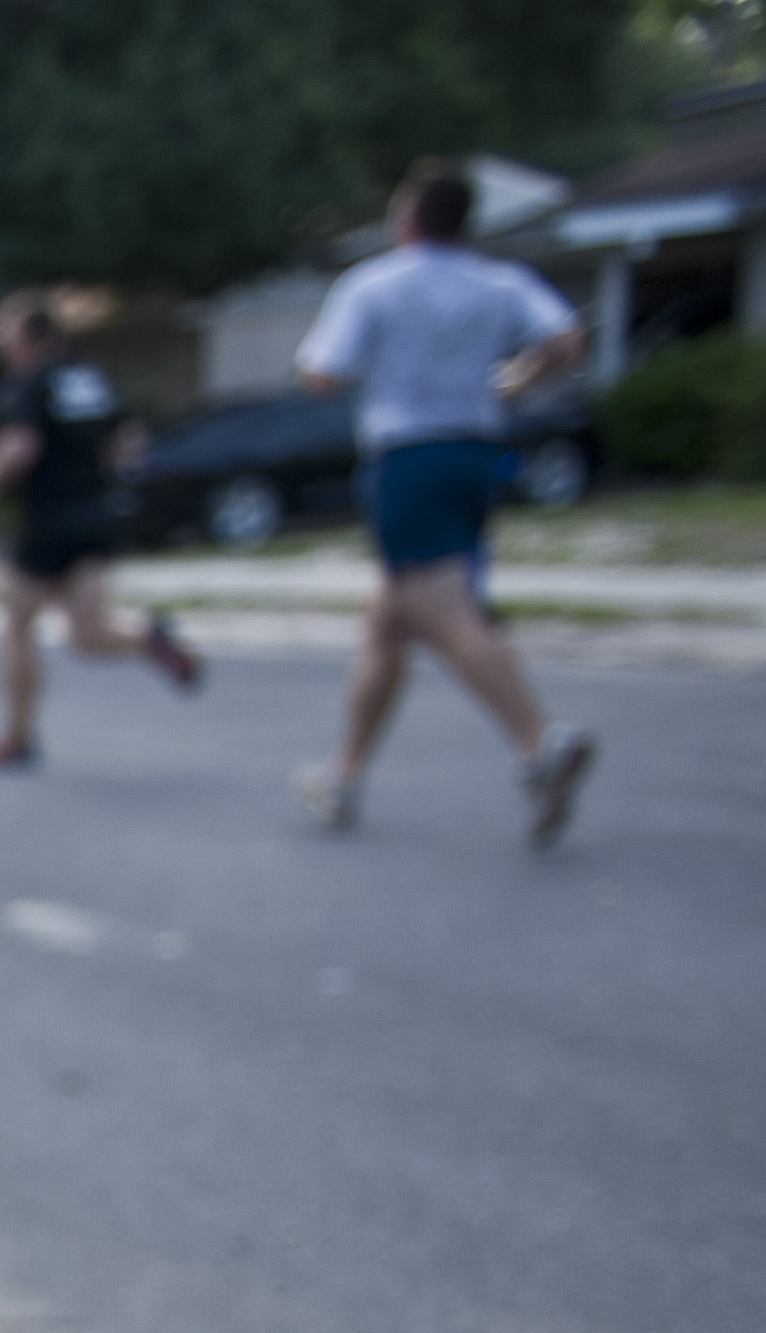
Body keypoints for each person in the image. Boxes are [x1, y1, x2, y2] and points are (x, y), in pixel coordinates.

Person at [291, 160, 598, 845]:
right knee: (388, 622)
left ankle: (538, 744)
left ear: (406, 218)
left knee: (443, 612)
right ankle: (342, 776)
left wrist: (385, 367)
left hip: (407, 457)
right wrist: (512, 380)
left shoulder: (376, 283)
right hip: (476, 456)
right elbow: (568, 342)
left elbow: (319, 373)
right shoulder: (499, 282)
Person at [0, 296, 201, 770]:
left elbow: (19, 447)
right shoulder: (89, 379)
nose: (2, 346)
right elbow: (129, 442)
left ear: (26, 337)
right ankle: (152, 640)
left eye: (5, 336)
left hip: (49, 521)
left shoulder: (24, 384)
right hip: (100, 515)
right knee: (87, 633)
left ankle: (17, 737)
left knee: (15, 621)